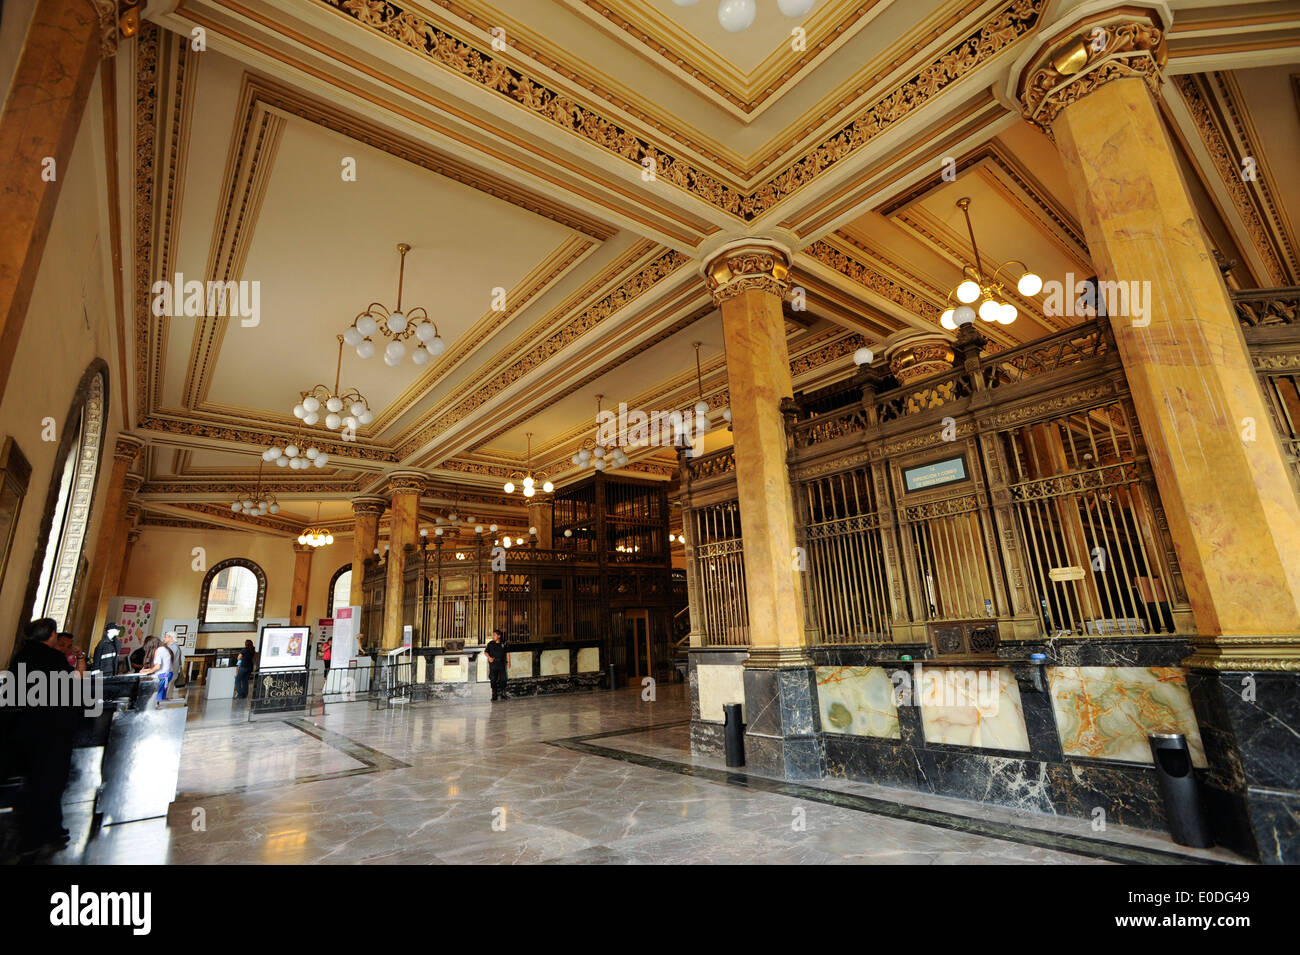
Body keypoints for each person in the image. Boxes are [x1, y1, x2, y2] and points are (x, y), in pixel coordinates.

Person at [9, 618, 80, 856]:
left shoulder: (20, 656)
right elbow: (70, 690)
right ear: (51, 635)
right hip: (52, 728)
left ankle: (45, 829)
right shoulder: (53, 659)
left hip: (26, 726)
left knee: (32, 779)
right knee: (50, 781)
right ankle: (38, 833)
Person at [139, 633, 175, 705]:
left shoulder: (159, 650)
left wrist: (147, 672)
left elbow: (158, 666)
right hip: (167, 674)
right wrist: (147, 670)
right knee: (161, 696)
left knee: (158, 696)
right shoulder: (164, 648)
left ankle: (155, 707)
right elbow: (159, 667)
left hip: (163, 675)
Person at [485, 628, 508, 701]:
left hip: (501, 663)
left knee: (503, 679)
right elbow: (486, 652)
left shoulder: (503, 643)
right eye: (493, 635)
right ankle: (494, 695)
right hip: (493, 664)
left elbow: (507, 653)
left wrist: (509, 662)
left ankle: (503, 694)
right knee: (493, 679)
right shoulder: (490, 644)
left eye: (494, 635)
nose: (493, 636)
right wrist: (489, 658)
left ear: (499, 636)